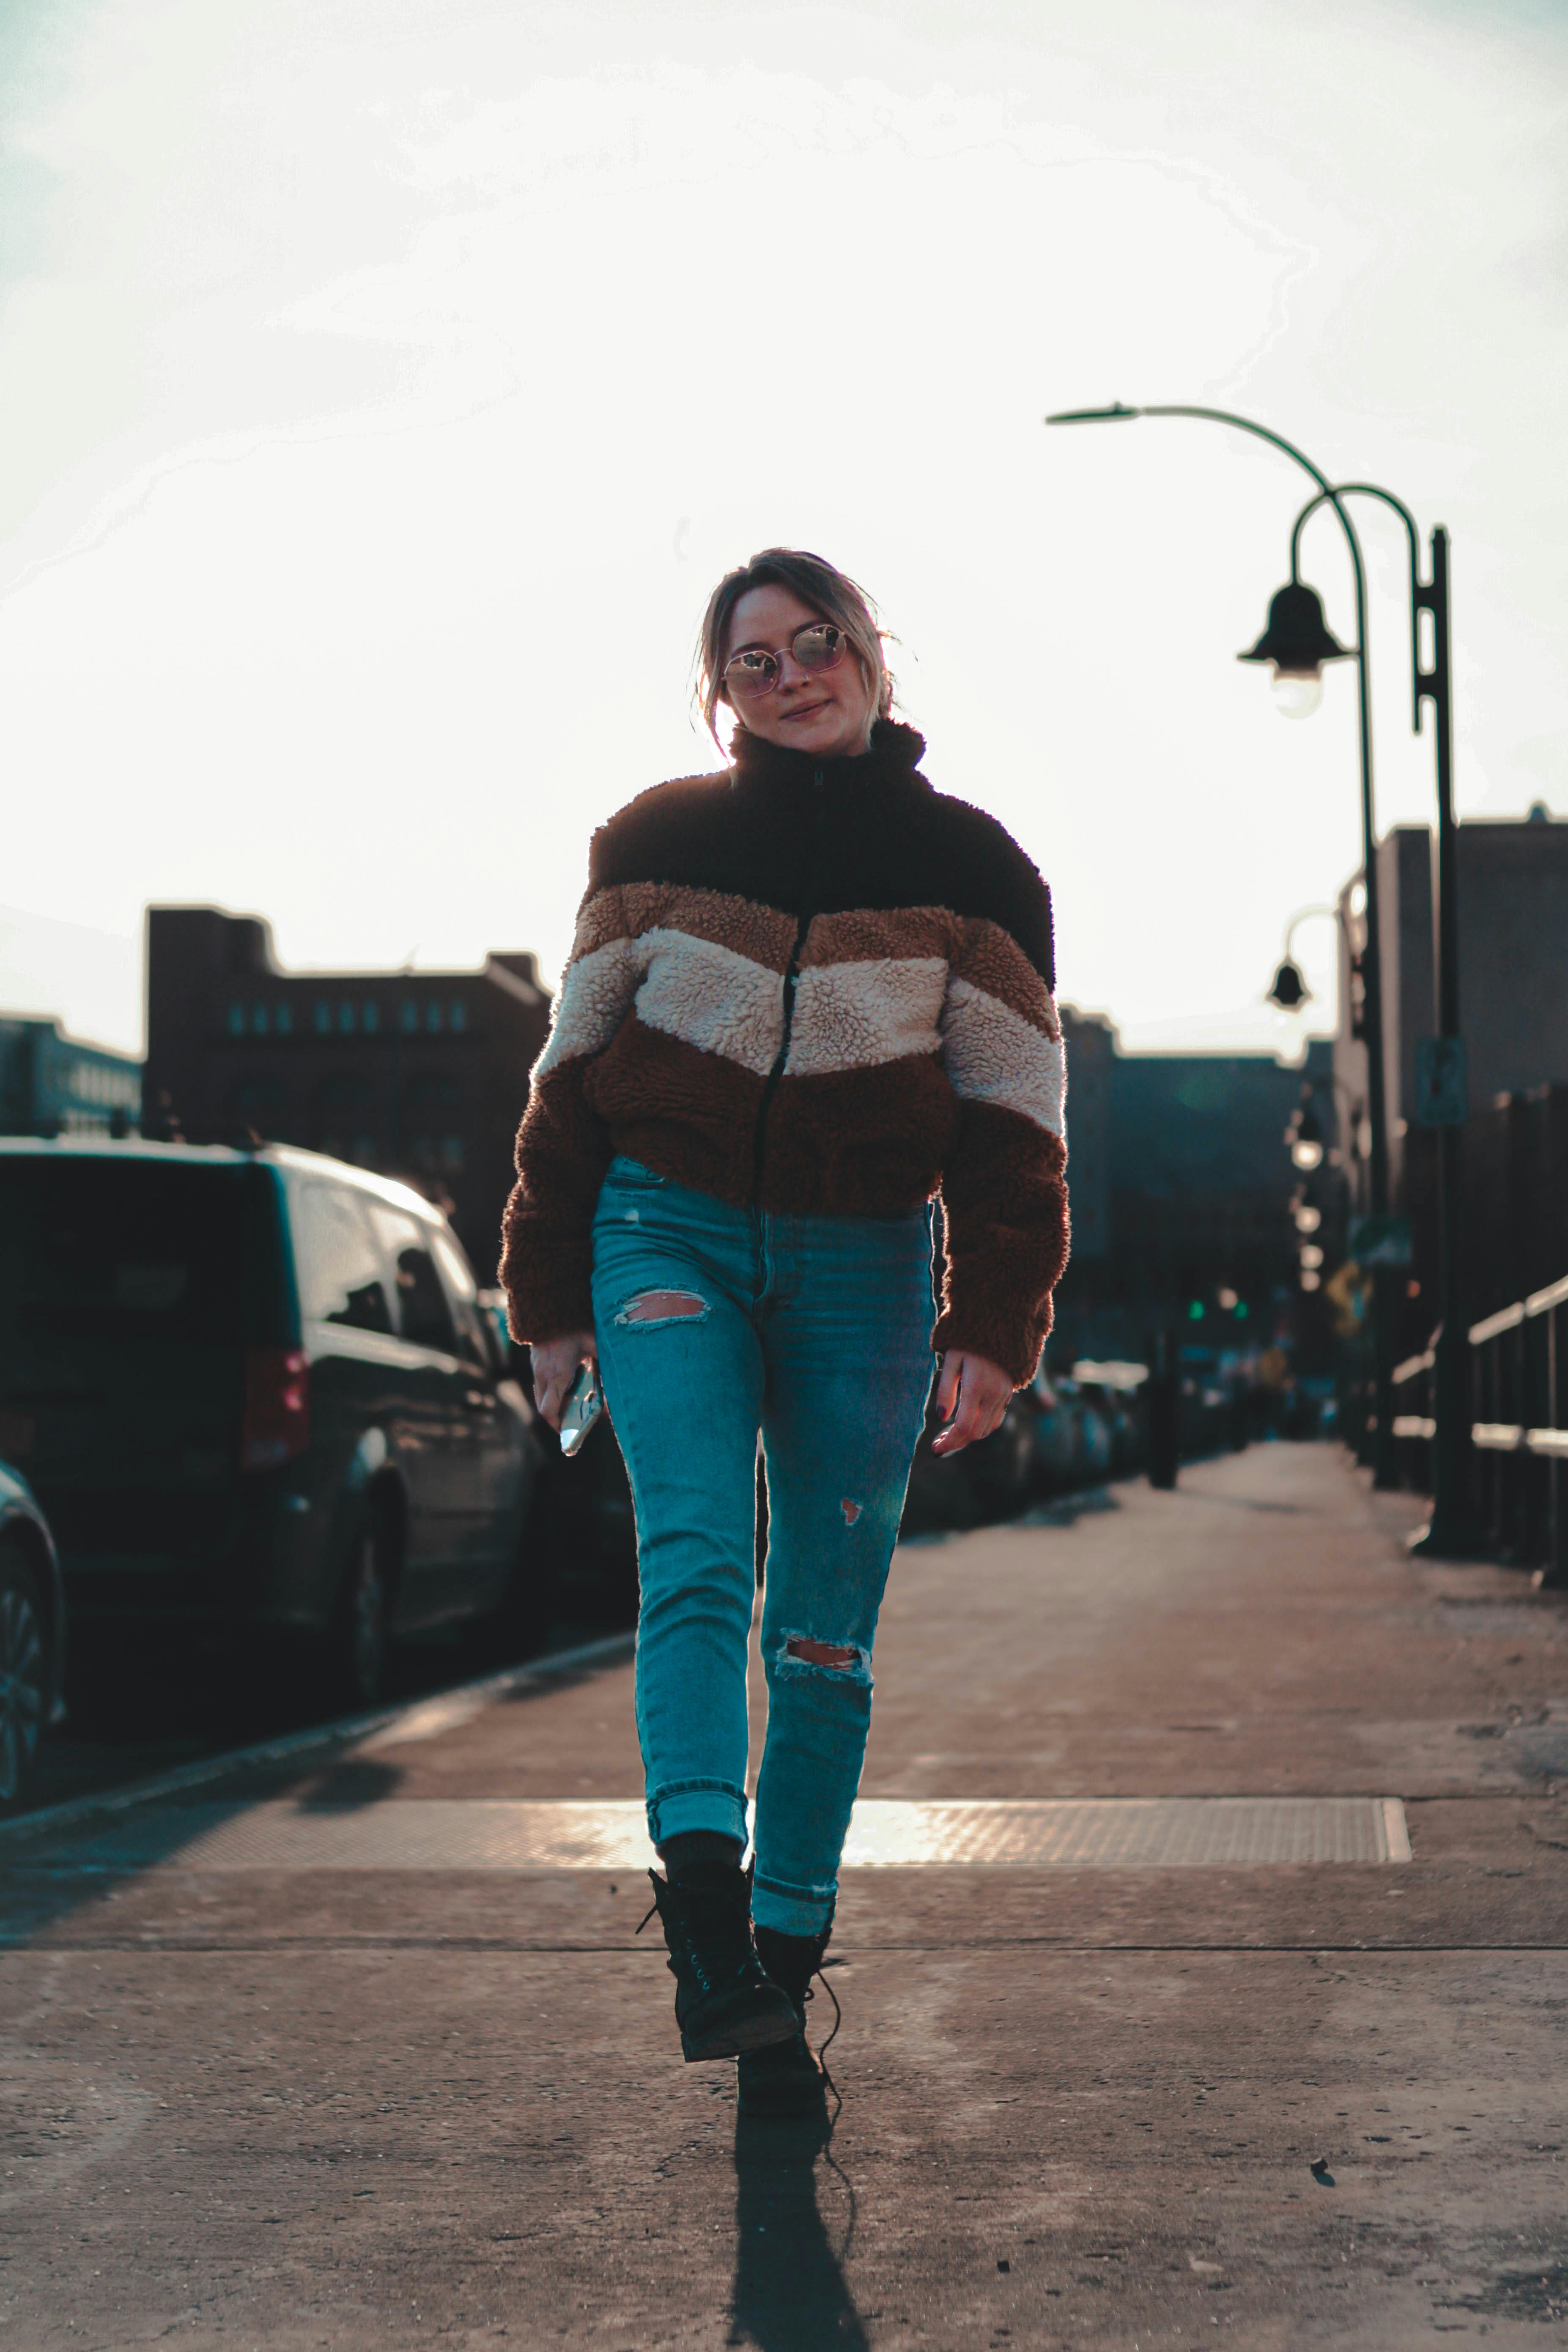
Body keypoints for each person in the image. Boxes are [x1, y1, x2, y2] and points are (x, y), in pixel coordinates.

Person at [501, 548, 1069, 2116]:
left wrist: (993, 1320)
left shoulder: (977, 871)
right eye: (752, 660)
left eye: (814, 643)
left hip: (863, 1259)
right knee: (694, 1556)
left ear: (869, 655)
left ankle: (781, 1968)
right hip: (659, 1227)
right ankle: (704, 1934)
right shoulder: (652, 841)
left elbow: (1014, 1120)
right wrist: (547, 1300)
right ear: (721, 693)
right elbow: (570, 1076)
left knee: (823, 1635)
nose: (790, 676)